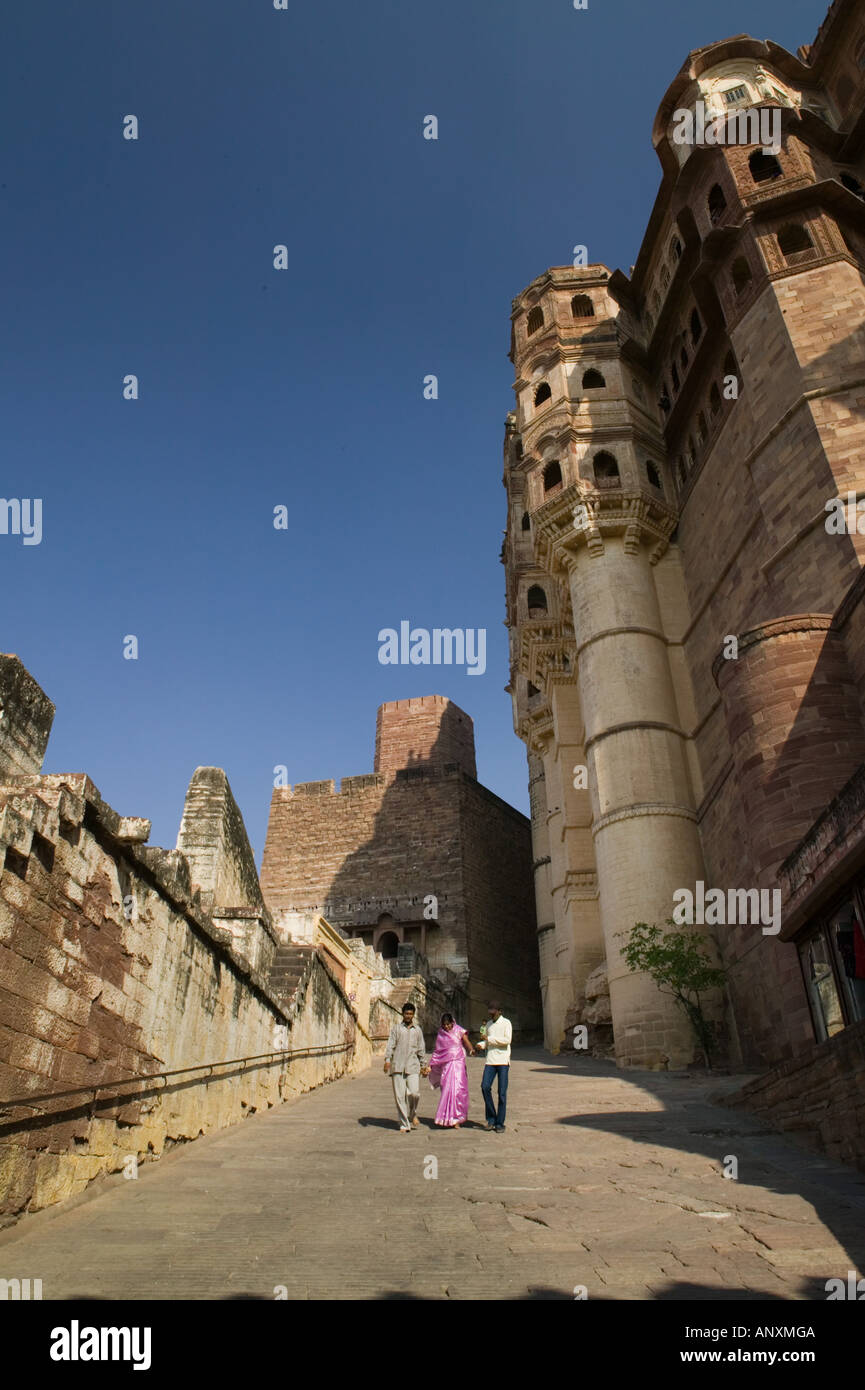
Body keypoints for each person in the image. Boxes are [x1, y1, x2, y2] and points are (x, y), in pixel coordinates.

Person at [383, 1003, 429, 1132]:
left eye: (410, 1014)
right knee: (400, 1096)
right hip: (398, 1066)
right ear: (402, 1014)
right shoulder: (397, 1029)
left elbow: (421, 1049)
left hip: (413, 1066)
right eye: (406, 1013)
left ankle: (412, 1113)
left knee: (414, 1093)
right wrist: (387, 1060)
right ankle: (404, 1124)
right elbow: (390, 1045)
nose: (408, 1016)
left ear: (413, 1015)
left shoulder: (417, 1030)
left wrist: (424, 1065)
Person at [427, 1012, 475, 1128]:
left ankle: (457, 1119)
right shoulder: (441, 1034)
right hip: (447, 1065)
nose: (447, 1027)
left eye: (448, 1024)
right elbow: (438, 1051)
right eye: (444, 1025)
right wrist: (431, 1065)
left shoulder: (459, 1030)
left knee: (459, 1090)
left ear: (453, 1023)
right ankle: (446, 1118)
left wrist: (471, 1049)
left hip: (458, 1063)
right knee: (447, 1090)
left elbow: (466, 1041)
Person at [477, 1000, 512, 1132]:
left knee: (501, 1093)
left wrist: (489, 1039)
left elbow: (507, 1040)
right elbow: (487, 1043)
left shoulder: (506, 1023)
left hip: (503, 1061)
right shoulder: (489, 1025)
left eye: (494, 1012)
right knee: (485, 1087)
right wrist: (481, 1045)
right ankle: (491, 1118)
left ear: (499, 1011)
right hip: (490, 1060)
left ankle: (500, 1123)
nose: (491, 1015)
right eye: (490, 1012)